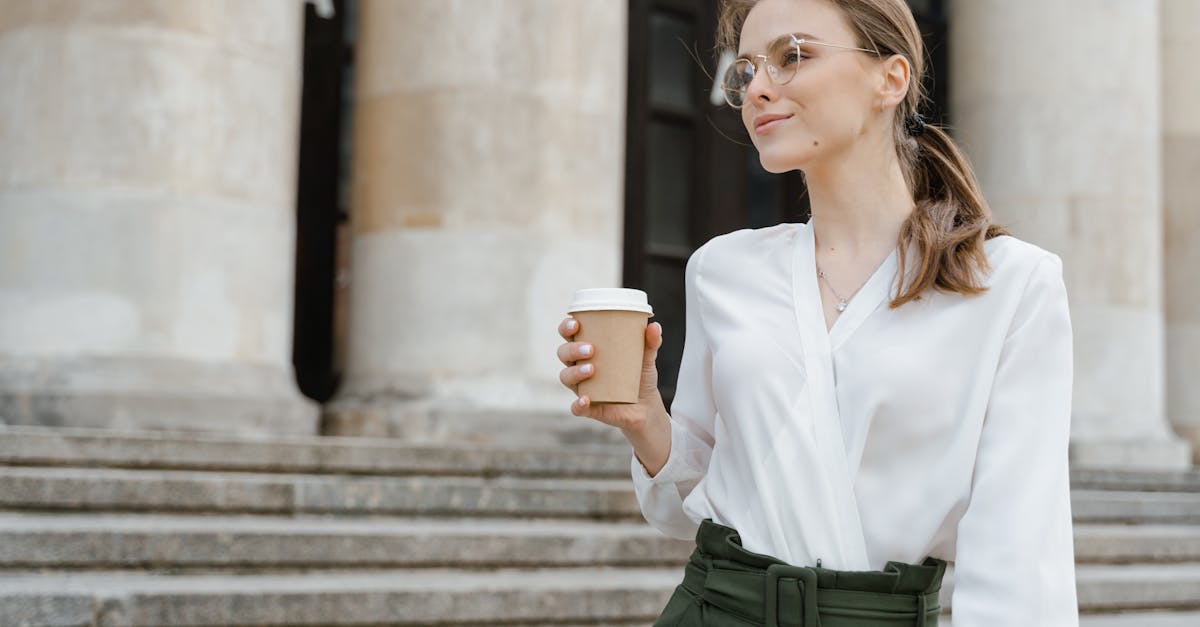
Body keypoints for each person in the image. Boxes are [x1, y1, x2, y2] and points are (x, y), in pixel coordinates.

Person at [556, 0, 1078, 624]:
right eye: (745, 70)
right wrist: (645, 422)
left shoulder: (1011, 284)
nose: (759, 90)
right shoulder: (724, 271)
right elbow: (689, 506)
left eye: (792, 56)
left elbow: (1020, 555)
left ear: (891, 78)